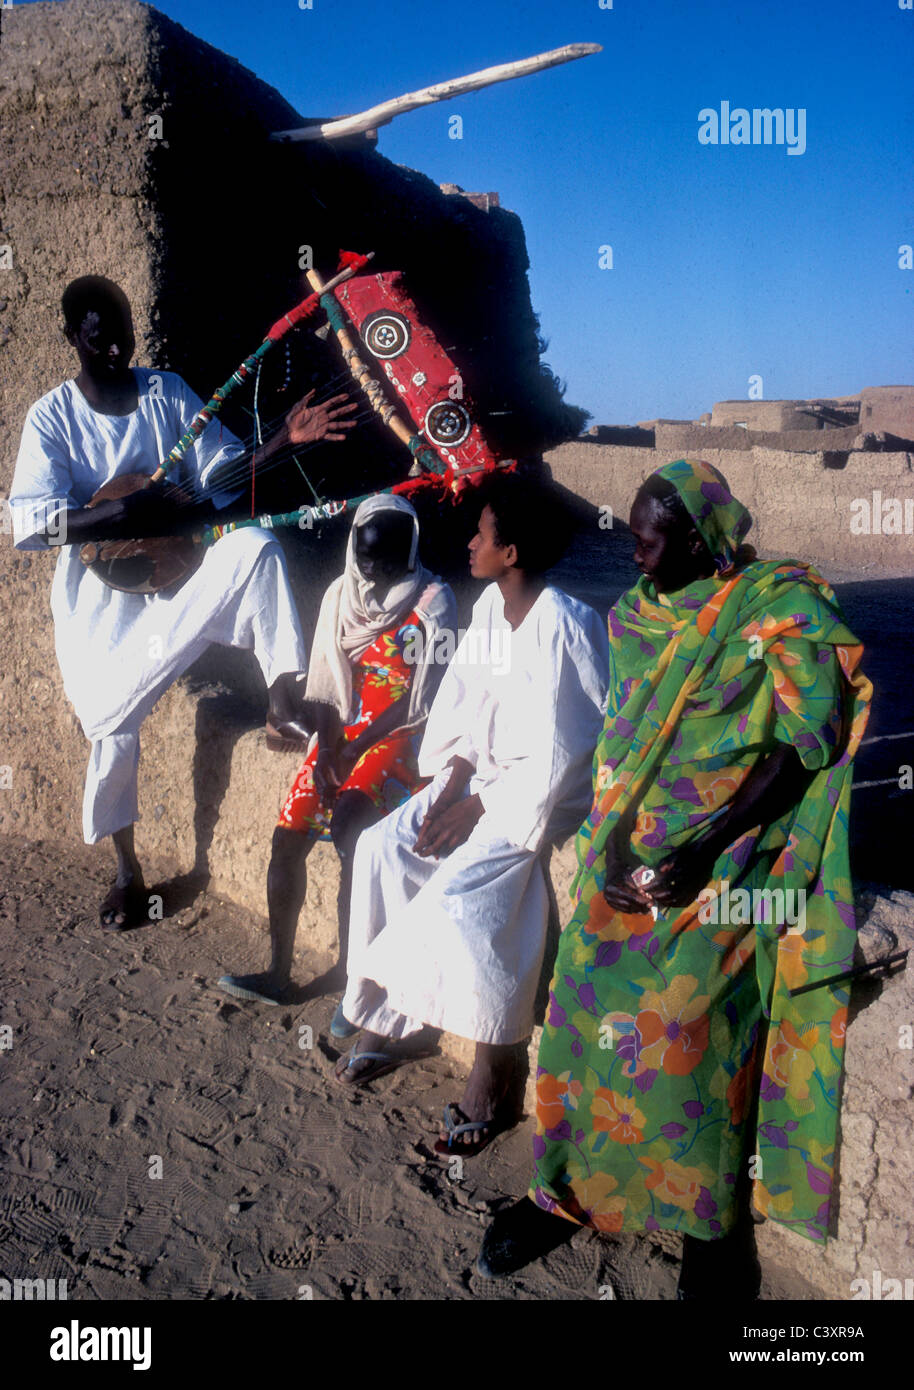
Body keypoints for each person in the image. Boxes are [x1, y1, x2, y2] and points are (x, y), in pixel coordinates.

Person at [477, 458, 872, 1297]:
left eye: (652, 542)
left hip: (734, 849)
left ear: (697, 538)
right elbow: (624, 747)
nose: (637, 556)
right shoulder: (634, 619)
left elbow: (807, 746)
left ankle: (709, 1228)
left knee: (692, 1021)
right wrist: (615, 848)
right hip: (637, 845)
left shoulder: (780, 612)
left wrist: (704, 848)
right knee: (579, 995)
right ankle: (566, 1191)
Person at [9, 275, 355, 930]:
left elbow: (219, 476)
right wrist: (118, 511)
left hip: (176, 578)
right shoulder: (52, 417)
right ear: (70, 339)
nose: (114, 349)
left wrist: (283, 441)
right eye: (97, 338)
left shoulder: (166, 392)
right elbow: (31, 525)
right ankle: (126, 870)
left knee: (254, 547)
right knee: (110, 722)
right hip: (98, 604)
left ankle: (284, 698)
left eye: (122, 334)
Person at [334, 472, 610, 1156]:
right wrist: (452, 781)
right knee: (385, 846)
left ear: (511, 552)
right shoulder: (488, 608)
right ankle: (402, 1017)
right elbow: (461, 705)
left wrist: (479, 807)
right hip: (480, 776)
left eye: (480, 535)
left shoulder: (566, 626)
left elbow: (563, 753)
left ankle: (496, 1069)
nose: (468, 544)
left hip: (539, 796)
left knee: (461, 900)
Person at [217, 494, 457, 1019]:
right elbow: (325, 684)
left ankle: (353, 974)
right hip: (337, 731)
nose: (373, 571)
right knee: (288, 836)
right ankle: (279, 971)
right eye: (365, 559)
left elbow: (420, 697)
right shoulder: (339, 595)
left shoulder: (434, 602)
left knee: (353, 832)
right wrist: (328, 749)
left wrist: (352, 750)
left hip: (398, 734)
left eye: (385, 561)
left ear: (409, 550)